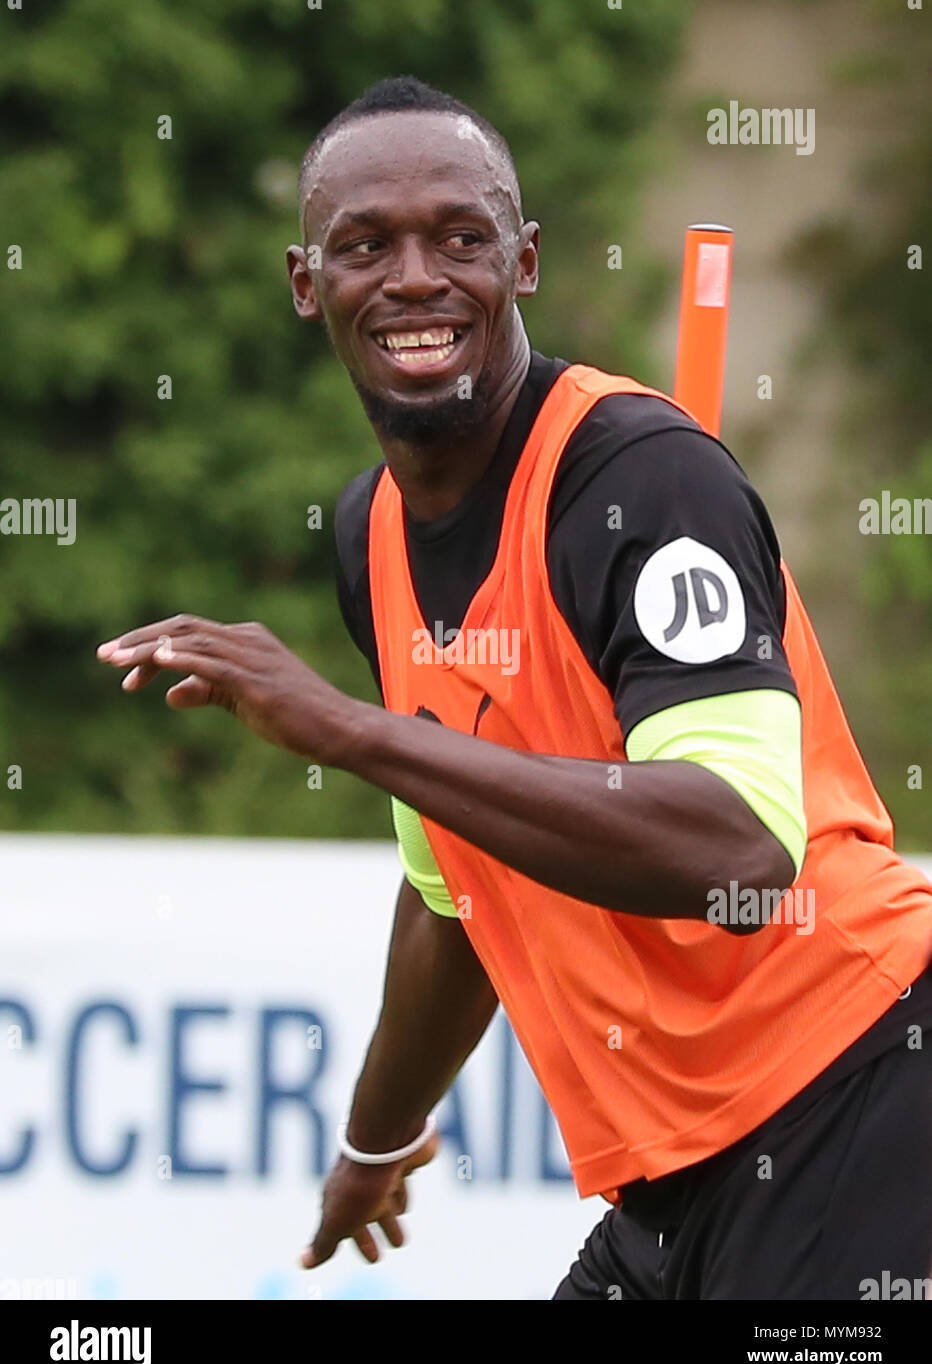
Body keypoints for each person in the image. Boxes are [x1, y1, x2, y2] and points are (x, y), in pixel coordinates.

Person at [97, 76, 932, 1300]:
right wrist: (374, 1140)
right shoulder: (367, 535)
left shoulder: (646, 482)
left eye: (460, 236)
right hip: (668, 1179)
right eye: (366, 244)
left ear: (523, 261)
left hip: (851, 1103)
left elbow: (741, 850)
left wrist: (343, 727)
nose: (417, 277)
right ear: (303, 281)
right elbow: (455, 897)